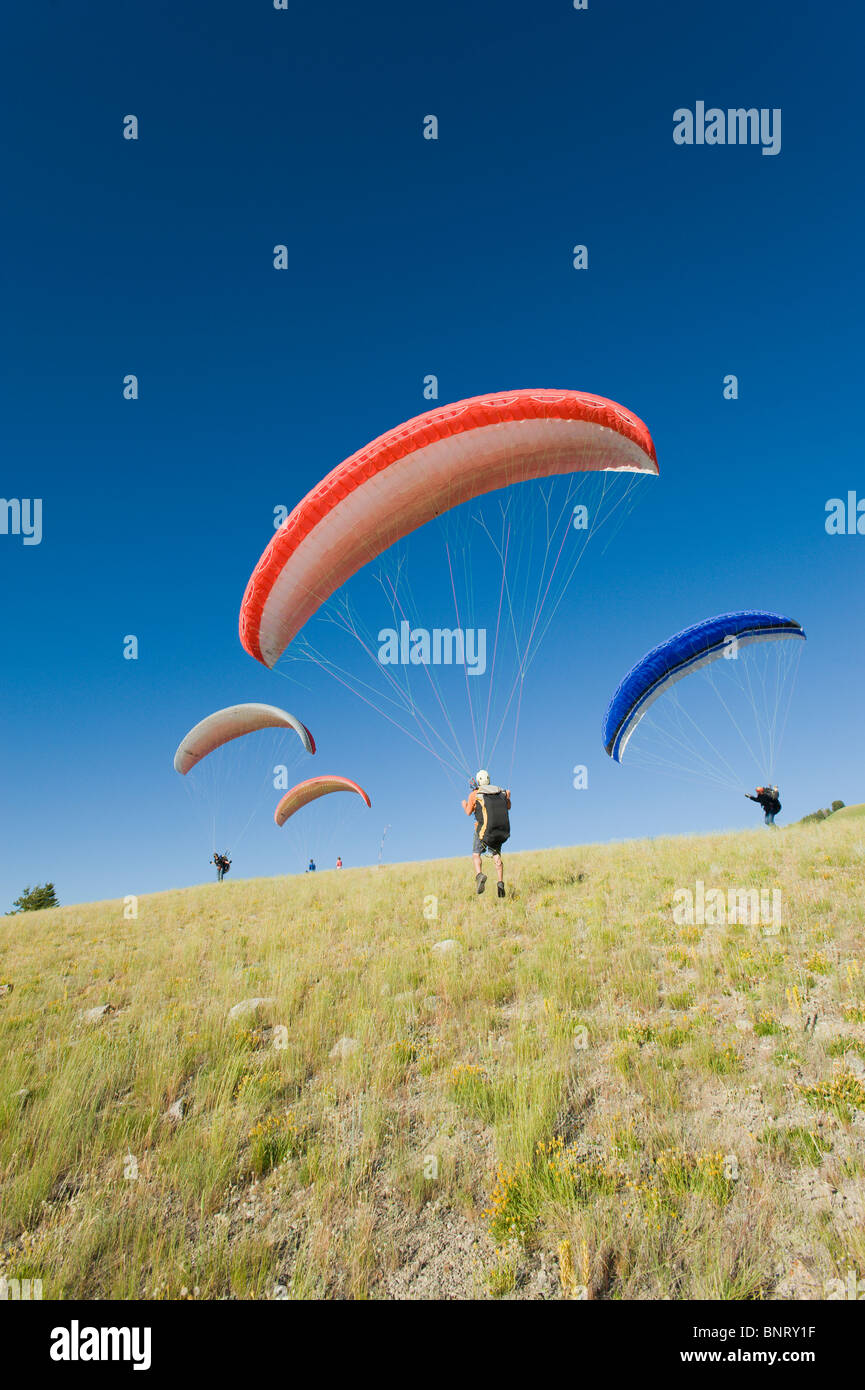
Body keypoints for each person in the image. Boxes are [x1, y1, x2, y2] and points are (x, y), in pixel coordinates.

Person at [462, 769, 511, 897]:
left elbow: (468, 812)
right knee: (496, 856)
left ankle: (479, 875)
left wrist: (464, 804)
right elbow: (508, 806)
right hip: (497, 830)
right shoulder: (500, 792)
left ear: (478, 781)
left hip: (482, 831)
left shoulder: (475, 794)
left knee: (476, 854)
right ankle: (500, 882)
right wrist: (508, 797)